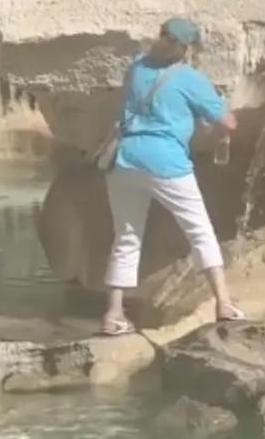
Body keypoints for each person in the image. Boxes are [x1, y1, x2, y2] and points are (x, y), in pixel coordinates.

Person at [100, 17, 242, 336]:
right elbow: (228, 123)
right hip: (166, 162)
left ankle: (113, 316)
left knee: (126, 237)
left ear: (160, 36)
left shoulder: (137, 68)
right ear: (186, 47)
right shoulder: (190, 78)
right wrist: (220, 126)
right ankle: (224, 304)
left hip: (124, 159)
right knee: (200, 230)